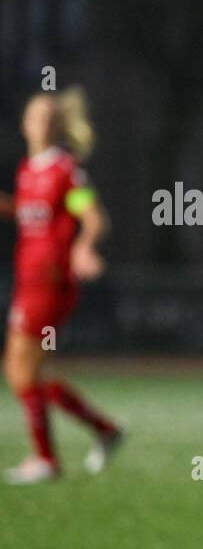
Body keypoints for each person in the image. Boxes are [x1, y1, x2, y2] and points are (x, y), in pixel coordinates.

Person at [1, 89, 121, 485]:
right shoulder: (27, 170)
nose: (41, 123)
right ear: (24, 123)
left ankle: (46, 459)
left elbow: (93, 216)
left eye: (49, 117)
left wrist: (84, 247)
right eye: (35, 116)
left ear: (58, 125)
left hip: (49, 282)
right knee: (29, 373)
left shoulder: (65, 170)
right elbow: (26, 214)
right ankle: (103, 430)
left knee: (20, 370)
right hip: (28, 279)